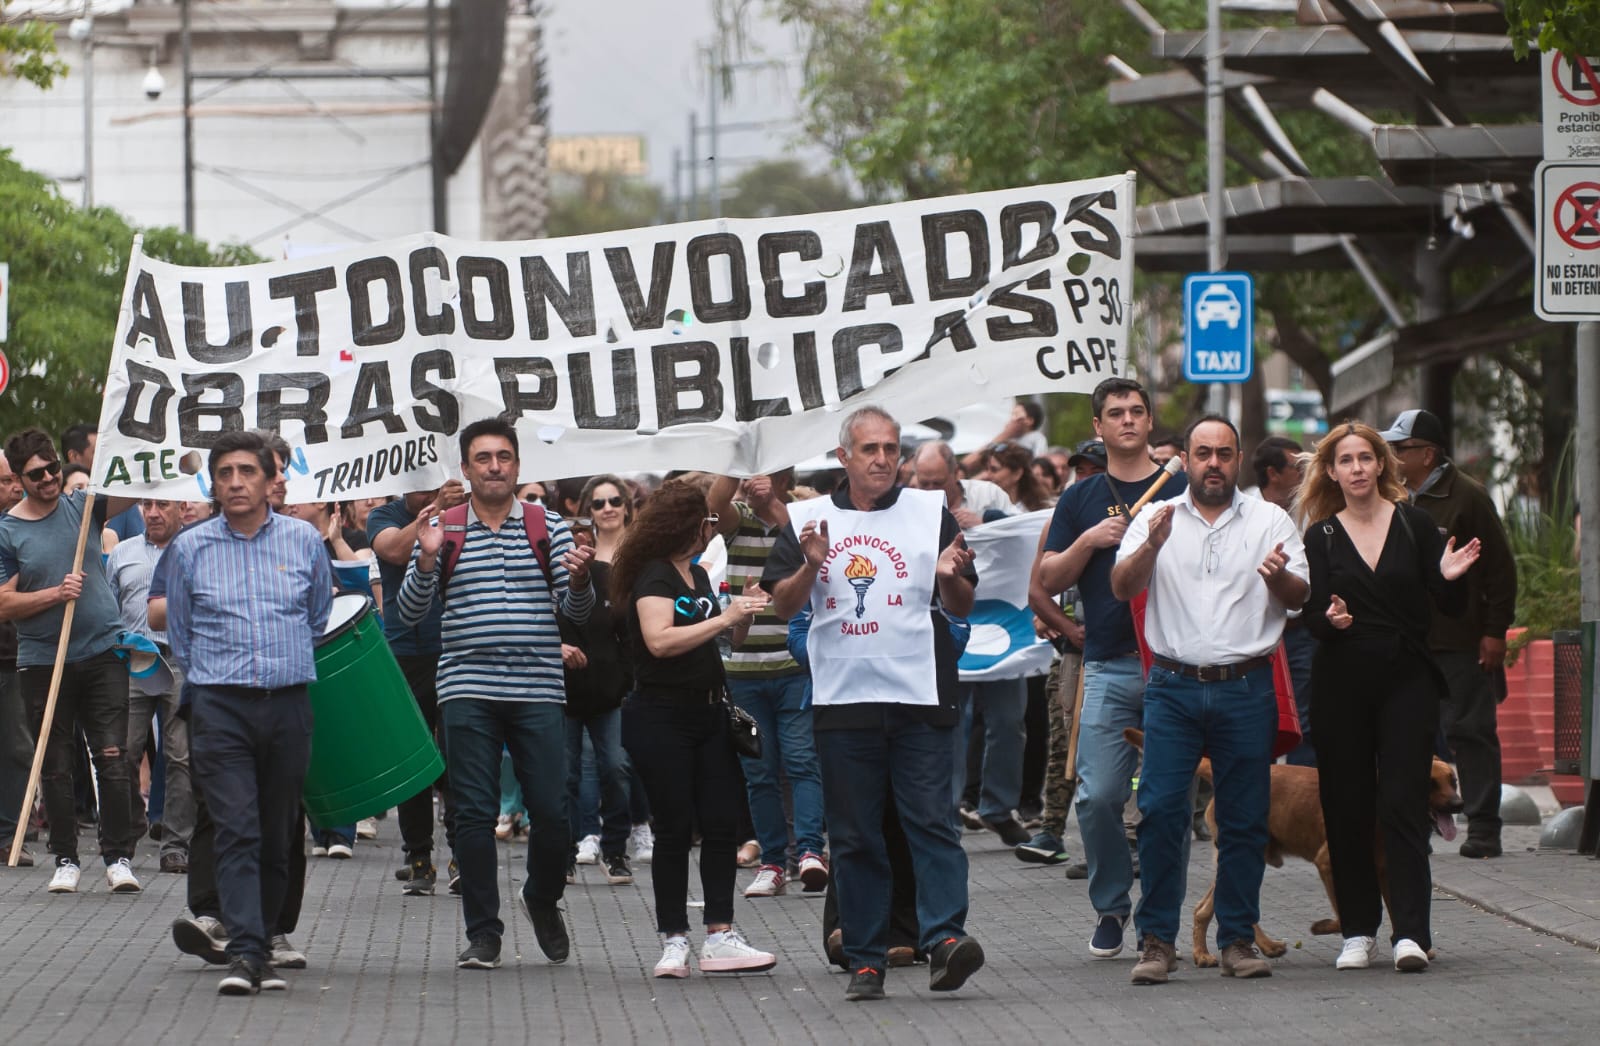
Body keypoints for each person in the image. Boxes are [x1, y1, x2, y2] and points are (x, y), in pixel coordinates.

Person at [765, 405, 985, 1002]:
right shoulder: (809, 518)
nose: (883, 459)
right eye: (870, 449)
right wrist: (810, 566)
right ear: (844, 457)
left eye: (891, 448)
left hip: (921, 698)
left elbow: (963, 604)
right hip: (844, 703)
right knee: (856, 835)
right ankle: (865, 958)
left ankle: (944, 940)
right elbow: (782, 607)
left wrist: (946, 576)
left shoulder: (930, 513)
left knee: (933, 824)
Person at [1110, 414, 1309, 985]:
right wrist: (1151, 547)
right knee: (1160, 814)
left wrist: (1278, 580)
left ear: (1238, 458)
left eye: (1224, 453)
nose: (1213, 463)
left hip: (1246, 688)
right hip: (1172, 689)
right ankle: (1155, 942)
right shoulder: (1156, 516)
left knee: (1246, 821)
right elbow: (1122, 587)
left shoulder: (1270, 519)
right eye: (1203, 453)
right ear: (1188, 460)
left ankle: (1238, 940)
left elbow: (1301, 595)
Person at [396, 417, 594, 972]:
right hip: (467, 688)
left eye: (504, 457)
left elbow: (575, 614)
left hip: (537, 688)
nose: (494, 466)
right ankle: (483, 932)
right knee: (474, 816)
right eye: (483, 458)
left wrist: (580, 581)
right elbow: (410, 615)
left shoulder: (546, 525)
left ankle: (542, 897)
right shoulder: (444, 527)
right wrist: (428, 557)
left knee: (553, 813)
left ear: (517, 465)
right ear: (465, 468)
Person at [1299, 422, 1480, 973]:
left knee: (1402, 804)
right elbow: (1311, 619)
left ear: (1382, 465)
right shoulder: (1321, 536)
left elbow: (1446, 604)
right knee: (1347, 805)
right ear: (1331, 472)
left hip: (1407, 680)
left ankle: (1411, 934)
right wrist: (1331, 620)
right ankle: (1357, 931)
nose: (1356, 468)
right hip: (1341, 684)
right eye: (1345, 461)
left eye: (1365, 458)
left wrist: (1449, 575)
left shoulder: (1416, 523)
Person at [165, 430, 332, 995]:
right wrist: (218, 679)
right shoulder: (190, 548)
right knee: (235, 828)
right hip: (220, 707)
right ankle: (244, 954)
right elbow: (181, 636)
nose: (235, 482)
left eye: (246, 472)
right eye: (224, 473)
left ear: (269, 481)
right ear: (212, 483)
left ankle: (261, 940)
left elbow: (316, 616)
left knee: (277, 829)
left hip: (286, 706)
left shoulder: (304, 541)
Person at [1036, 378, 1186, 958]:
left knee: (1165, 802)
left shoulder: (1178, 485)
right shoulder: (1080, 499)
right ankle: (1111, 906)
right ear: (1098, 427)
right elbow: (1048, 580)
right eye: (1115, 413)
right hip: (1108, 664)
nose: (1127, 420)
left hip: (1175, 667)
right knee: (1096, 797)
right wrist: (1090, 542)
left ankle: (1158, 921)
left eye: (1137, 411)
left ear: (1150, 422)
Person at [608, 479, 778, 979]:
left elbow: (722, 639)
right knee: (674, 827)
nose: (711, 527)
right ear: (685, 525)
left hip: (708, 713)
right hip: (660, 716)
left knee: (722, 823)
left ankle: (720, 933)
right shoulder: (653, 577)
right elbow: (659, 641)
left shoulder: (699, 576)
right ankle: (674, 938)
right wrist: (724, 616)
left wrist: (742, 615)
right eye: (706, 520)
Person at [0, 428, 139, 894]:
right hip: (42, 660)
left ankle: (118, 856)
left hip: (103, 651)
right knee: (55, 763)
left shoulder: (82, 508)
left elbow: (135, 490)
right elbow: (3, 603)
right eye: (36, 474)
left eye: (53, 468)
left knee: (113, 756)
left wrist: (126, 444)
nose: (48, 479)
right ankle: (66, 858)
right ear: (19, 479)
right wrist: (55, 594)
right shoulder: (7, 531)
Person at [1381, 409, 1516, 859]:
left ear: (1427, 453)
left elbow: (1499, 569)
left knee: (1470, 730)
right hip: (1406, 639)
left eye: (1401, 449)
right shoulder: (1391, 496)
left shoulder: (1468, 497)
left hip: (1459, 637)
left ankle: (1483, 826)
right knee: (1411, 730)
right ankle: (1418, 823)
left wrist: (1494, 632)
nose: (1393, 456)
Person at [708, 468, 828, 899]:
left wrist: (772, 504)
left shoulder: (800, 513)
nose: (760, 476)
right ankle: (774, 861)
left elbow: (807, 546)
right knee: (757, 770)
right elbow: (712, 508)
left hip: (793, 666)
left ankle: (811, 851)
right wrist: (732, 468)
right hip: (743, 673)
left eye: (770, 469)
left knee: (801, 762)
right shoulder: (738, 518)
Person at [368, 481, 468, 895]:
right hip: (404, 650)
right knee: (413, 758)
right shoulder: (386, 515)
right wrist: (431, 513)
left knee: (460, 755)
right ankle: (419, 856)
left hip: (454, 647)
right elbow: (392, 550)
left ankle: (464, 855)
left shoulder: (466, 512)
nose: (428, 491)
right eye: (419, 487)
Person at [105, 498, 195, 874]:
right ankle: (128, 829)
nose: (153, 512)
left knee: (181, 756)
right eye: (147, 505)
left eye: (163, 505)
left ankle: (176, 844)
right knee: (122, 752)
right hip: (134, 660)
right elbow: (108, 608)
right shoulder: (122, 553)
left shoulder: (195, 549)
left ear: (181, 508)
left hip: (181, 659)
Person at [561, 473, 640, 885]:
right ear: (585, 511)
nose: (607, 508)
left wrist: (629, 676)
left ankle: (615, 850)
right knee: (567, 772)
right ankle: (570, 850)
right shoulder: (569, 556)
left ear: (627, 506)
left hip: (613, 685)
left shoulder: (638, 558)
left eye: (614, 501)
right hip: (565, 684)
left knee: (615, 767)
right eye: (598, 503)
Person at [1252, 436, 1315, 766]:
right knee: (1256, 717)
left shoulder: (1312, 510)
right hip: (1254, 635)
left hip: (1300, 632)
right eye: (1298, 466)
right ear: (1272, 473)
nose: (1306, 472)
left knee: (1305, 720)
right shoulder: (1244, 512)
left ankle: (1303, 804)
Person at [0, 453, 36, 867]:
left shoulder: (15, 530)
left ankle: (9, 835)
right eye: (7, 480)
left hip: (11, 655)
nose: (16, 487)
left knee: (17, 748)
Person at [909, 442, 1013, 529]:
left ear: (956, 473)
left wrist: (984, 524)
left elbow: (1022, 530)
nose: (931, 490)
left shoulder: (988, 494)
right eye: (924, 484)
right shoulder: (910, 510)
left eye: (938, 483)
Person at [961, 400, 1048, 473]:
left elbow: (1039, 459)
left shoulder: (1037, 438)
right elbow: (992, 451)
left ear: (1029, 421)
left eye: (1016, 414)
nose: (1012, 419)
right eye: (1012, 415)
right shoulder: (1008, 439)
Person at [982, 442, 1053, 512]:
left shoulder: (1040, 512)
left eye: (994, 470)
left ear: (1017, 474)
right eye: (986, 469)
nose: (987, 475)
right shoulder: (981, 507)